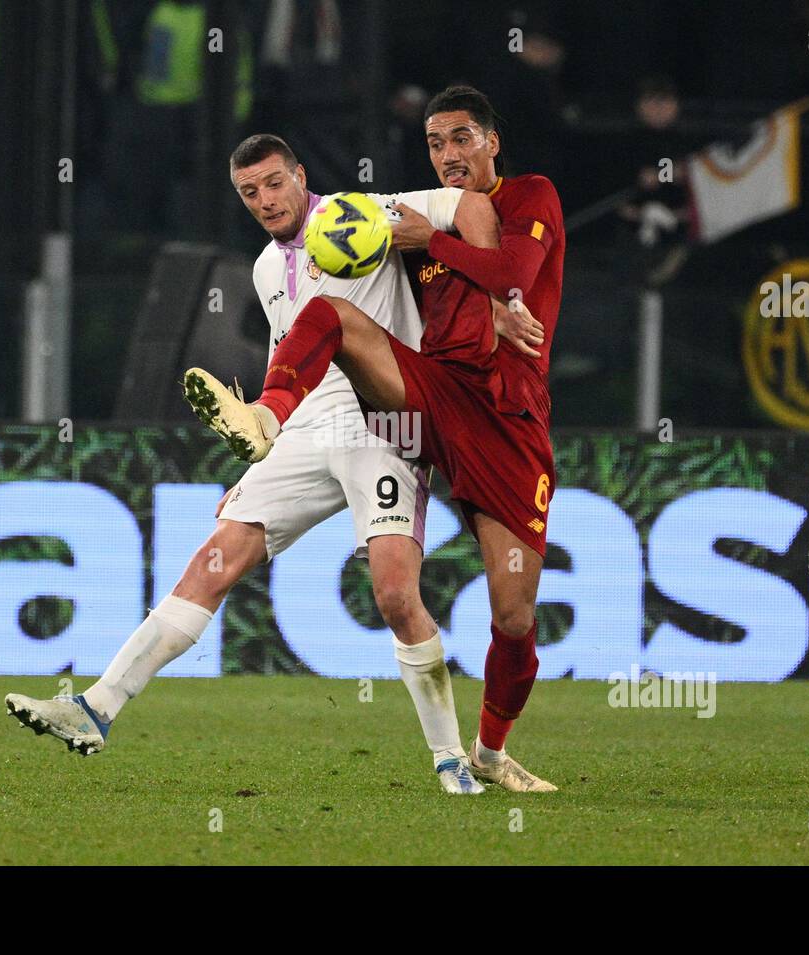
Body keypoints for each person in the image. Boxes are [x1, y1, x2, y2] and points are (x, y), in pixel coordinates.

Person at [6, 133, 506, 794]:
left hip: (381, 422)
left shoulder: (361, 212)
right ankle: (97, 707)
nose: (265, 200)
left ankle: (450, 761)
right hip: (302, 429)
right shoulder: (268, 268)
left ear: (300, 176)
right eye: (250, 193)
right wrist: (261, 446)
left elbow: (469, 205)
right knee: (215, 560)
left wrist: (501, 294)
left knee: (393, 593)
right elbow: (287, 356)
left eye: (274, 183)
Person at [183, 86, 564, 792]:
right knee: (330, 310)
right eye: (435, 144)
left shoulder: (530, 197)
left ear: (492, 142)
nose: (449, 155)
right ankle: (264, 415)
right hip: (431, 391)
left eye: (462, 139)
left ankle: (488, 751)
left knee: (513, 614)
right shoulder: (408, 226)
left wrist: (465, 271)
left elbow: (512, 273)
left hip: (505, 419)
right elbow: (395, 261)